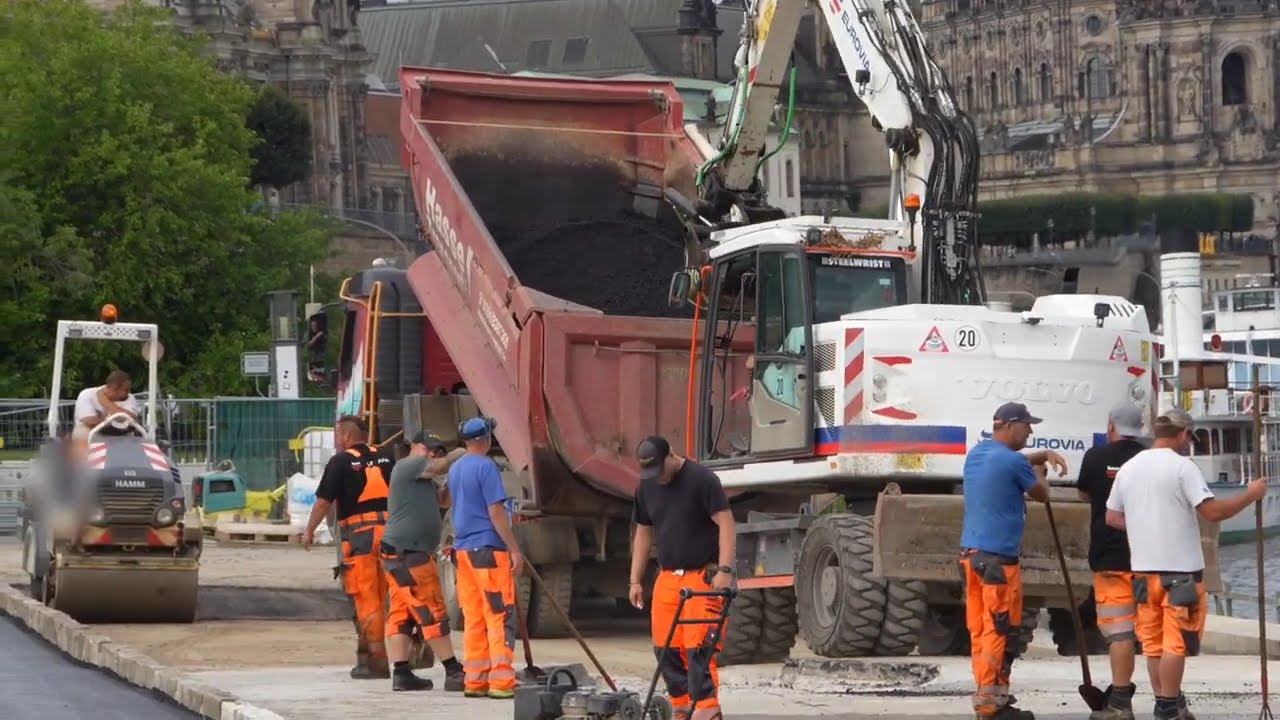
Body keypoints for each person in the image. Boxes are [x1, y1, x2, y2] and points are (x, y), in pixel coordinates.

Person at [1105, 408, 1268, 720]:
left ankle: (1167, 701)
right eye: (1188, 437)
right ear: (1183, 434)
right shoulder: (1183, 468)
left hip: (1143, 573)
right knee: (1176, 644)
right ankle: (1168, 706)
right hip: (1180, 575)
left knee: (1153, 645)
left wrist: (1145, 526)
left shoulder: (1129, 468)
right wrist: (1250, 495)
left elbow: (1112, 517)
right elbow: (1212, 512)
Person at [960, 402, 1065, 720]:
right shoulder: (1014, 463)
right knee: (999, 632)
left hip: (971, 558)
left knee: (980, 631)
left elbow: (1010, 462)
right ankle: (992, 707)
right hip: (998, 565)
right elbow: (1042, 493)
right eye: (1027, 425)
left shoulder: (978, 454)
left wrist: (1041, 454)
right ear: (1008, 425)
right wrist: (1039, 469)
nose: (1030, 431)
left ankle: (988, 698)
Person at [628, 436, 735, 720]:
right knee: (665, 648)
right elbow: (643, 531)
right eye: (650, 474)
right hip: (667, 577)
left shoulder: (702, 479)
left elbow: (725, 521)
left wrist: (724, 570)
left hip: (702, 575)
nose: (658, 479)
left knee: (698, 647)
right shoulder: (647, 486)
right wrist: (635, 580)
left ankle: (706, 709)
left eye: (660, 471)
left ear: (671, 456)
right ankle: (681, 706)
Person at [303, 415, 397, 679]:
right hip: (391, 532)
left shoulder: (340, 461)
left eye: (337, 435)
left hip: (361, 536)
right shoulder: (387, 455)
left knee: (367, 598)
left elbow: (323, 502)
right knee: (389, 596)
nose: (336, 440)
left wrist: (310, 529)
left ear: (345, 436)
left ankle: (377, 663)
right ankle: (396, 656)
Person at [1075, 403, 1150, 720]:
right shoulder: (1151, 459)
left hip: (1110, 560)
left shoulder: (1095, 457)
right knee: (1158, 634)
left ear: (1111, 427)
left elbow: (1084, 495)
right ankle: (1171, 701)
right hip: (1150, 558)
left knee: (1120, 634)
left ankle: (1120, 701)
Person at [380, 431, 468, 692]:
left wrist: (453, 477)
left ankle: (402, 672)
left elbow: (444, 500)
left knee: (402, 614)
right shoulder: (409, 465)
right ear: (414, 446)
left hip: (400, 553)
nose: (433, 454)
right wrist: (461, 453)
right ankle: (453, 670)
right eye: (428, 449)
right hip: (409, 555)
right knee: (432, 611)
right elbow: (440, 465)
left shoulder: (423, 480)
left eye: (437, 450)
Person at [447, 416, 524, 700]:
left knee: (474, 616)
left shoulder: (456, 468)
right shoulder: (487, 467)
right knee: (498, 614)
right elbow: (496, 512)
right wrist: (514, 548)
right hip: (489, 551)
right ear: (486, 439)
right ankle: (502, 681)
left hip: (464, 553)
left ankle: (475, 680)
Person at [72, 370, 139, 443]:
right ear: (114, 389)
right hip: (92, 433)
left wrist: (104, 401)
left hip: (121, 434)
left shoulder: (129, 398)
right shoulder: (87, 394)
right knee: (82, 431)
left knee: (129, 436)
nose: (128, 392)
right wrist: (114, 422)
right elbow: (89, 421)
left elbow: (131, 419)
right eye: (126, 390)